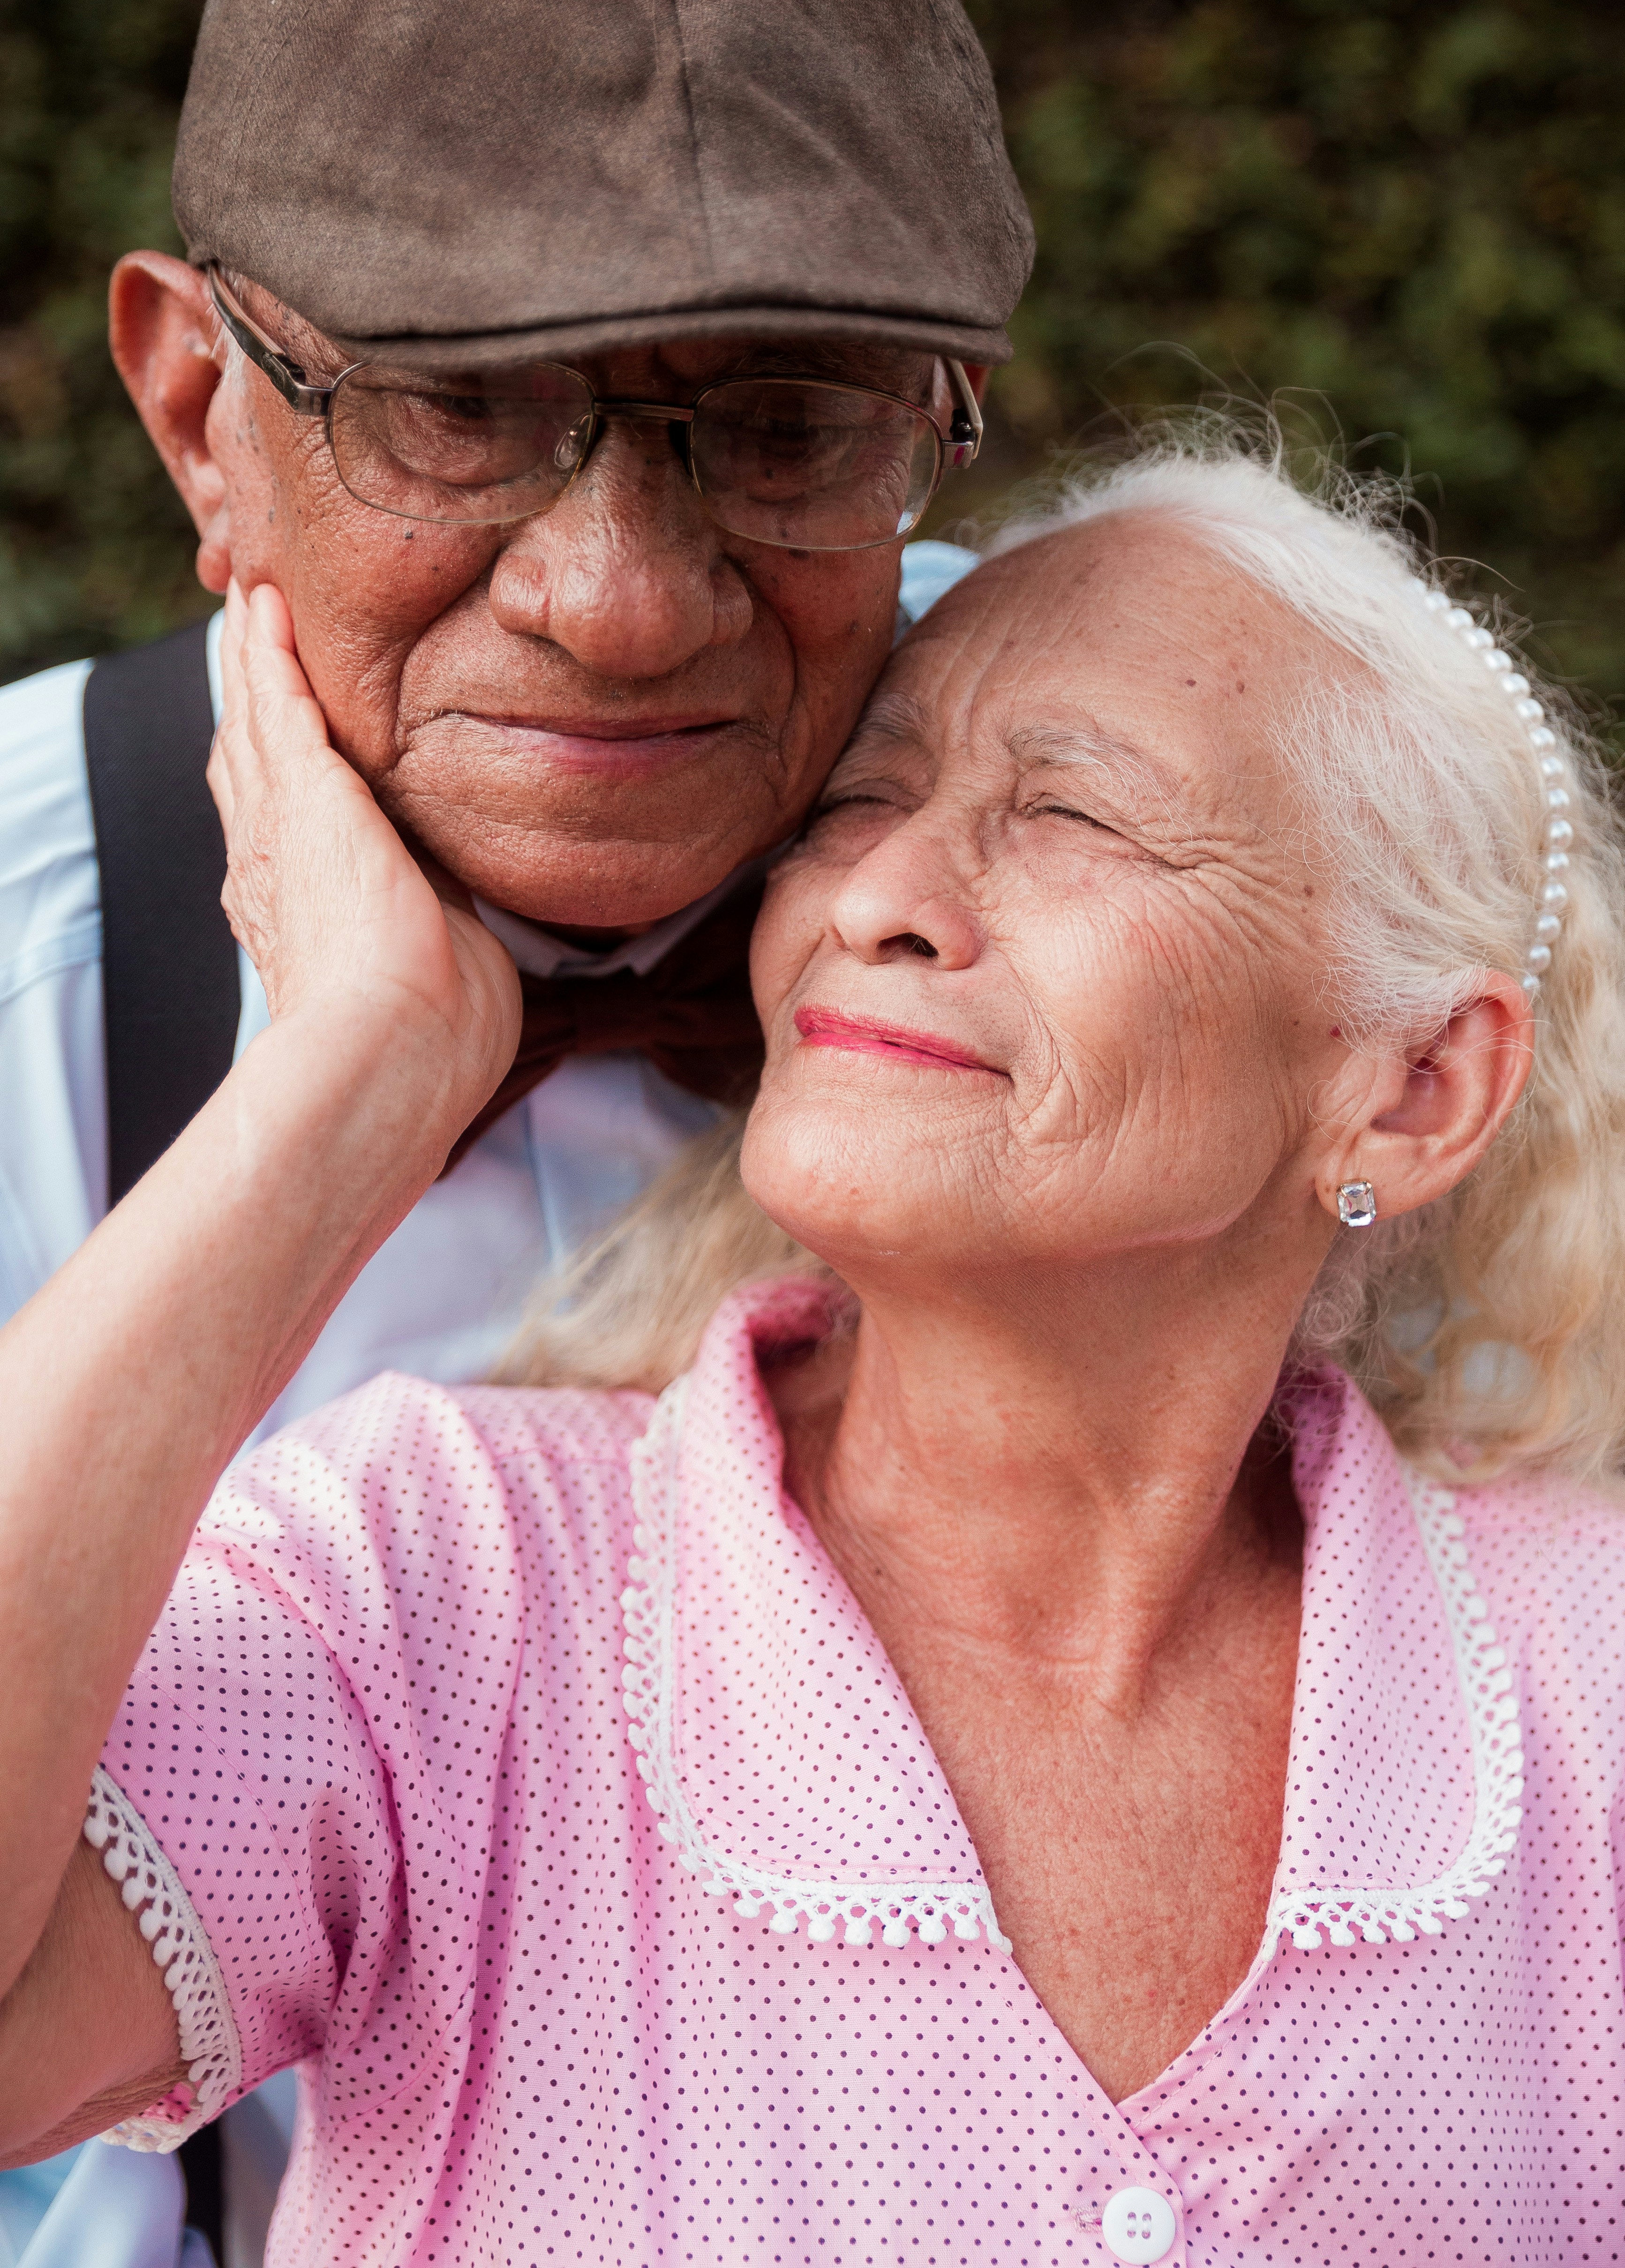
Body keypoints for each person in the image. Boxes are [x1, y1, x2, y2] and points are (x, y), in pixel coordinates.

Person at [0, 423, 1621, 2265]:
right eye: (859, 798)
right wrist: (344, 1073)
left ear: (1414, 1086)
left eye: (1071, 815)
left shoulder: (1585, 1684)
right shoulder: (438, 1583)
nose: (874, 897)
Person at [0, 0, 1025, 2248]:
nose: (623, 599)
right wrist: (329, 1106)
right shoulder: (23, 945)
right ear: (199, 411)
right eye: (458, 411)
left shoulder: (1173, 854)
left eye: (788, 426)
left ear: (937, 422)